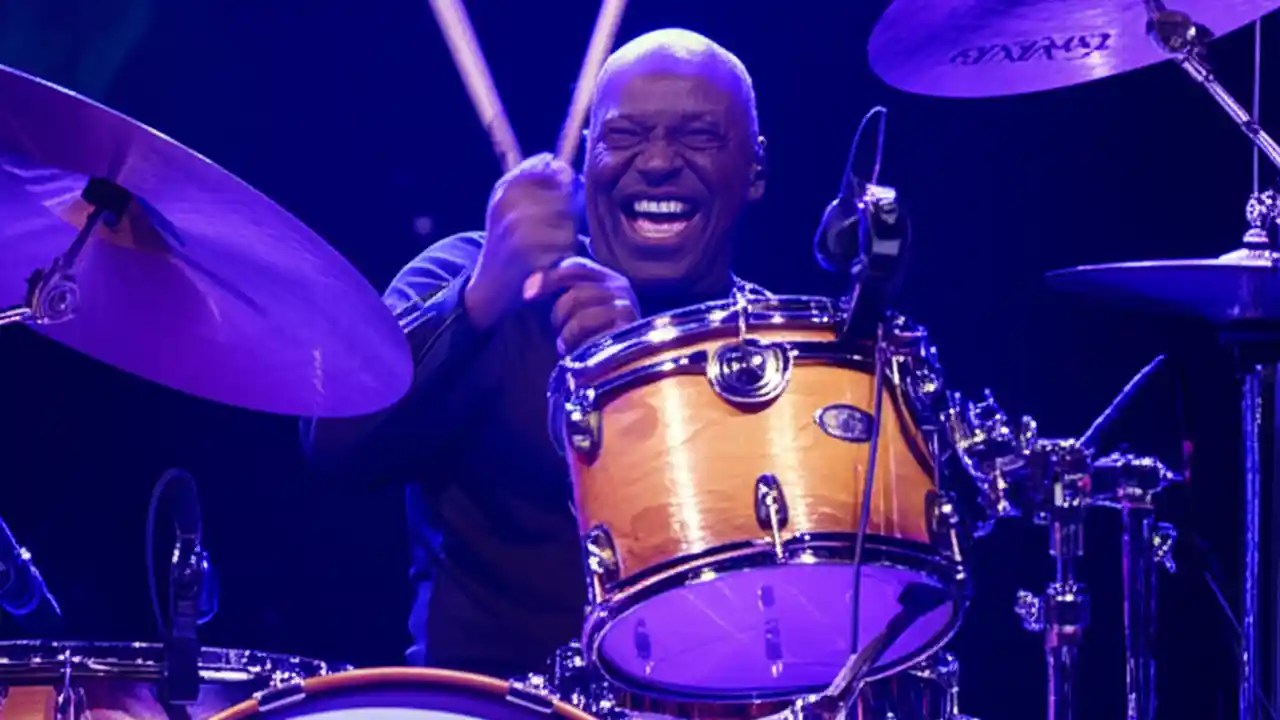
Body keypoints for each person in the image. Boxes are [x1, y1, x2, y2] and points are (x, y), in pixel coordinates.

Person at [302, 27, 769, 679]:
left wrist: (636, 372)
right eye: (625, 136)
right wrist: (479, 300)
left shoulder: (775, 356)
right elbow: (331, 441)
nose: (658, 161)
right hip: (480, 705)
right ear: (588, 156)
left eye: (697, 136)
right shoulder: (470, 274)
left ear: (754, 170)